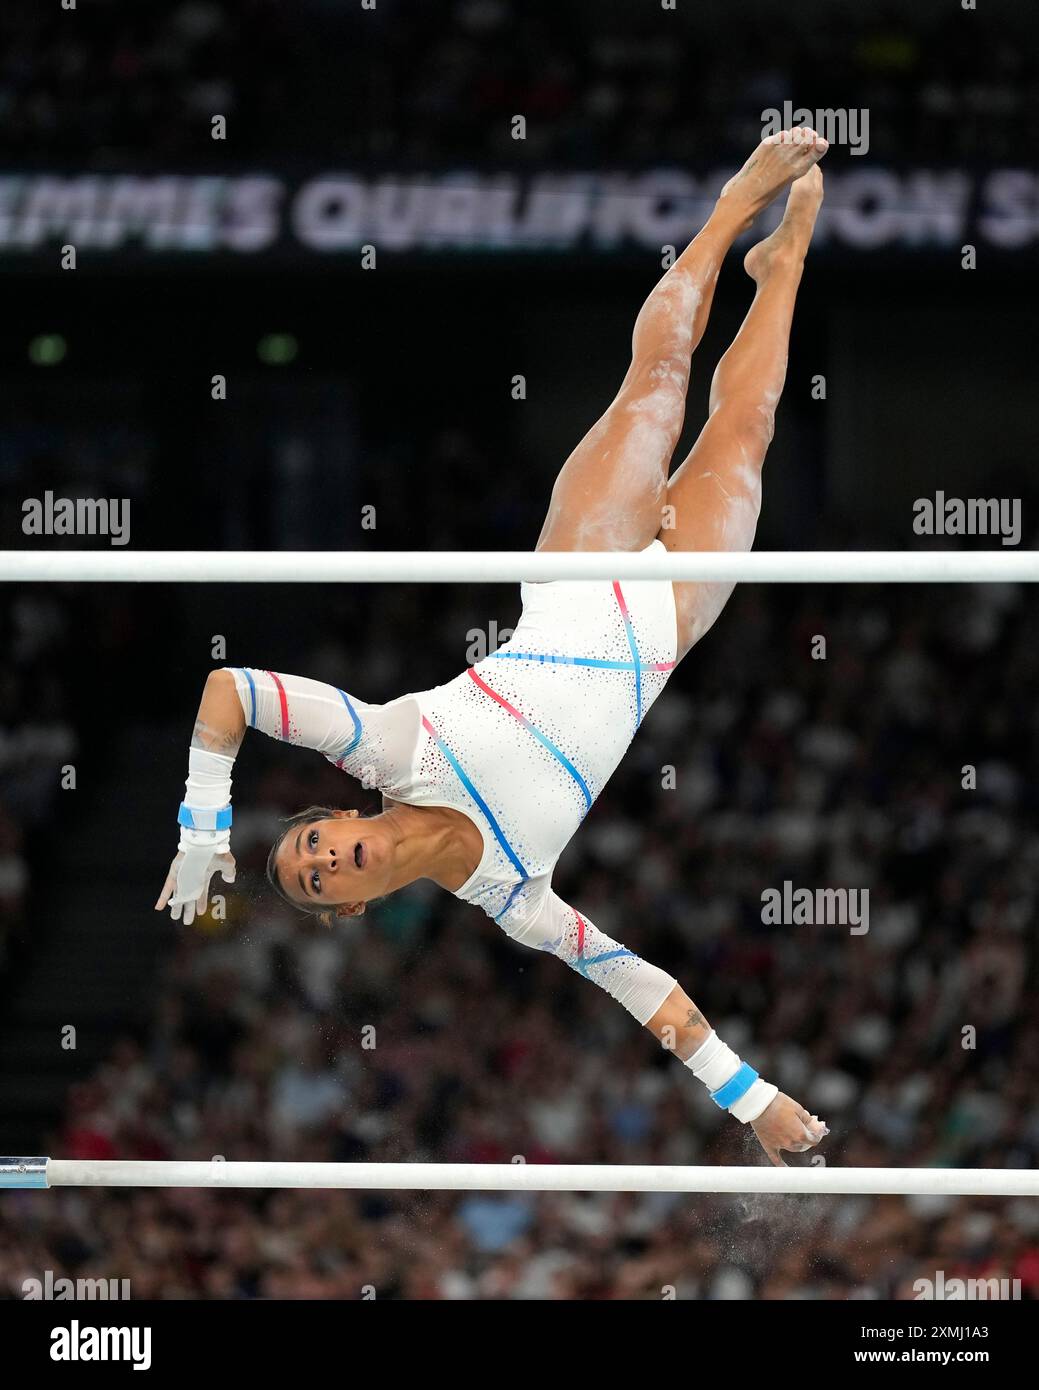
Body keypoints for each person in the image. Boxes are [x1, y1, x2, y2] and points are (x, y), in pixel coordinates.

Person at [157, 130, 831, 1166]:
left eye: (311, 843)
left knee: (659, 370)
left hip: (582, 558)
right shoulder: (513, 897)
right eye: (316, 879)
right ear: (345, 912)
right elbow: (639, 986)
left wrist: (205, 829)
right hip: (666, 622)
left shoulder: (387, 749)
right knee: (746, 429)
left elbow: (231, 690)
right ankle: (780, 264)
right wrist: (752, 1099)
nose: (326, 858)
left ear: (338, 814)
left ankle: (732, 206)